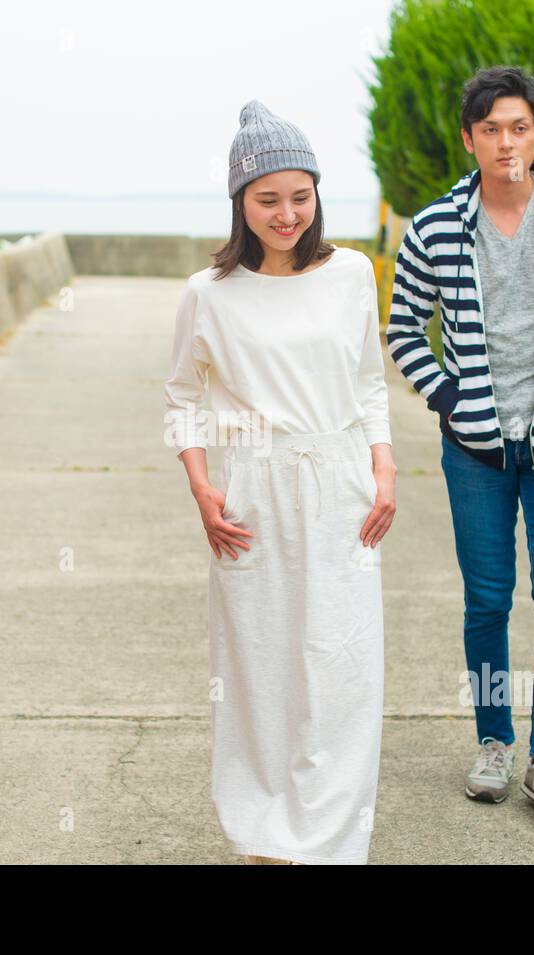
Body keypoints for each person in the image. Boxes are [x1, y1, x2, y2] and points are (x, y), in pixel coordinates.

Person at [386, 67, 534, 822]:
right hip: (474, 454)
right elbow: (403, 329)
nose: (505, 141)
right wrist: (454, 401)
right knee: (487, 600)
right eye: (490, 128)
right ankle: (495, 741)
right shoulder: (433, 228)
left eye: (518, 126)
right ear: (470, 139)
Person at [164, 100, 395, 864]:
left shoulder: (354, 272)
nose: (287, 212)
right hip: (253, 489)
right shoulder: (209, 292)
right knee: (260, 668)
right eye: (267, 198)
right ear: (240, 202)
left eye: (301, 195)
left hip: (341, 482)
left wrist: (383, 468)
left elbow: (370, 382)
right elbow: (182, 400)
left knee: (342, 667)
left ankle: (329, 840)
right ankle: (262, 831)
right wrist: (203, 490)